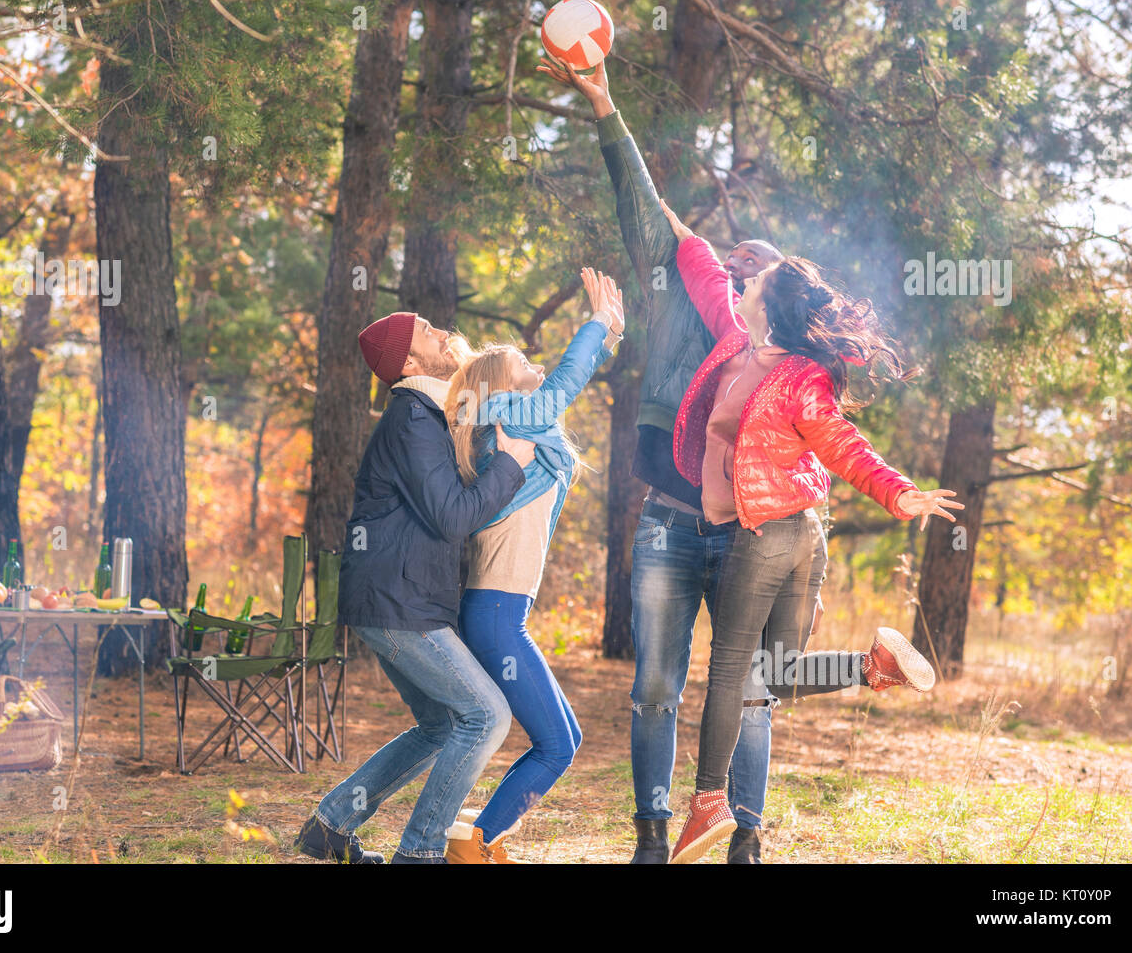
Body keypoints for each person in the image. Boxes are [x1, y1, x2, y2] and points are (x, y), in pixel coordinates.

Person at [660, 203, 965, 864]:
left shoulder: (798, 375)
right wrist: (678, 226)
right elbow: (709, 275)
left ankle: (710, 802)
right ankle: (871, 666)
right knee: (769, 680)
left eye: (754, 284)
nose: (742, 286)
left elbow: (840, 441)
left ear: (767, 304)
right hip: (801, 535)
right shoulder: (747, 347)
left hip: (768, 536)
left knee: (731, 674)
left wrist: (895, 490)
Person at [537, 52, 782, 864]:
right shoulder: (684, 289)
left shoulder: (779, 348)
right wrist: (605, 106)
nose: (750, 290)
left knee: (748, 687)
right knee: (653, 688)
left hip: (746, 532)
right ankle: (650, 832)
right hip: (670, 524)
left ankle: (744, 833)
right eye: (743, 271)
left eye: (765, 284)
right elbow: (642, 205)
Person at [294, 311, 537, 865]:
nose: (444, 334)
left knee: (440, 724)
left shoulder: (432, 413)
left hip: (401, 598)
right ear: (408, 362)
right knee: (486, 716)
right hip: (396, 603)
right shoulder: (412, 416)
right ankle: (421, 851)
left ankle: (330, 826)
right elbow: (453, 516)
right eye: (428, 332)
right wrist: (510, 465)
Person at [441, 267, 625, 864]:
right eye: (523, 360)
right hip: (496, 614)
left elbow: (560, 392)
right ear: (500, 382)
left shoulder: (519, 424)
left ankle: (479, 841)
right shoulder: (506, 413)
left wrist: (610, 331)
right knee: (555, 744)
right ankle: (476, 846)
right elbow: (565, 383)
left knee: (566, 738)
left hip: (501, 611)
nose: (535, 364)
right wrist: (597, 324)